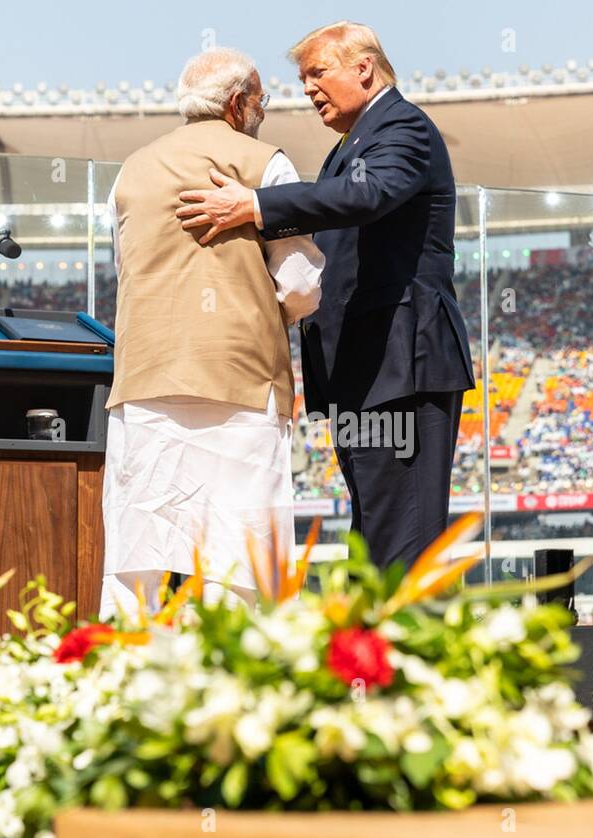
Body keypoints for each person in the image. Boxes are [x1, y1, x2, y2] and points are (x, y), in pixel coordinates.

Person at [176, 21, 474, 571]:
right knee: (374, 535)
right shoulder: (350, 145)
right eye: (302, 78)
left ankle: (413, 655)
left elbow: (367, 194)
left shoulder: (402, 126)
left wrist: (259, 205)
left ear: (363, 68)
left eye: (318, 73)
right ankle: (379, 655)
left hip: (401, 365)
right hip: (364, 371)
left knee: (403, 543)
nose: (307, 89)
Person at [100, 47, 324, 617]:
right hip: (240, 388)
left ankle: (132, 687)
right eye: (261, 100)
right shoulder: (265, 163)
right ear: (237, 103)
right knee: (244, 562)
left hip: (147, 387)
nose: (263, 112)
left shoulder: (130, 172)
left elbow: (126, 270)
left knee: (142, 558)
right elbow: (299, 283)